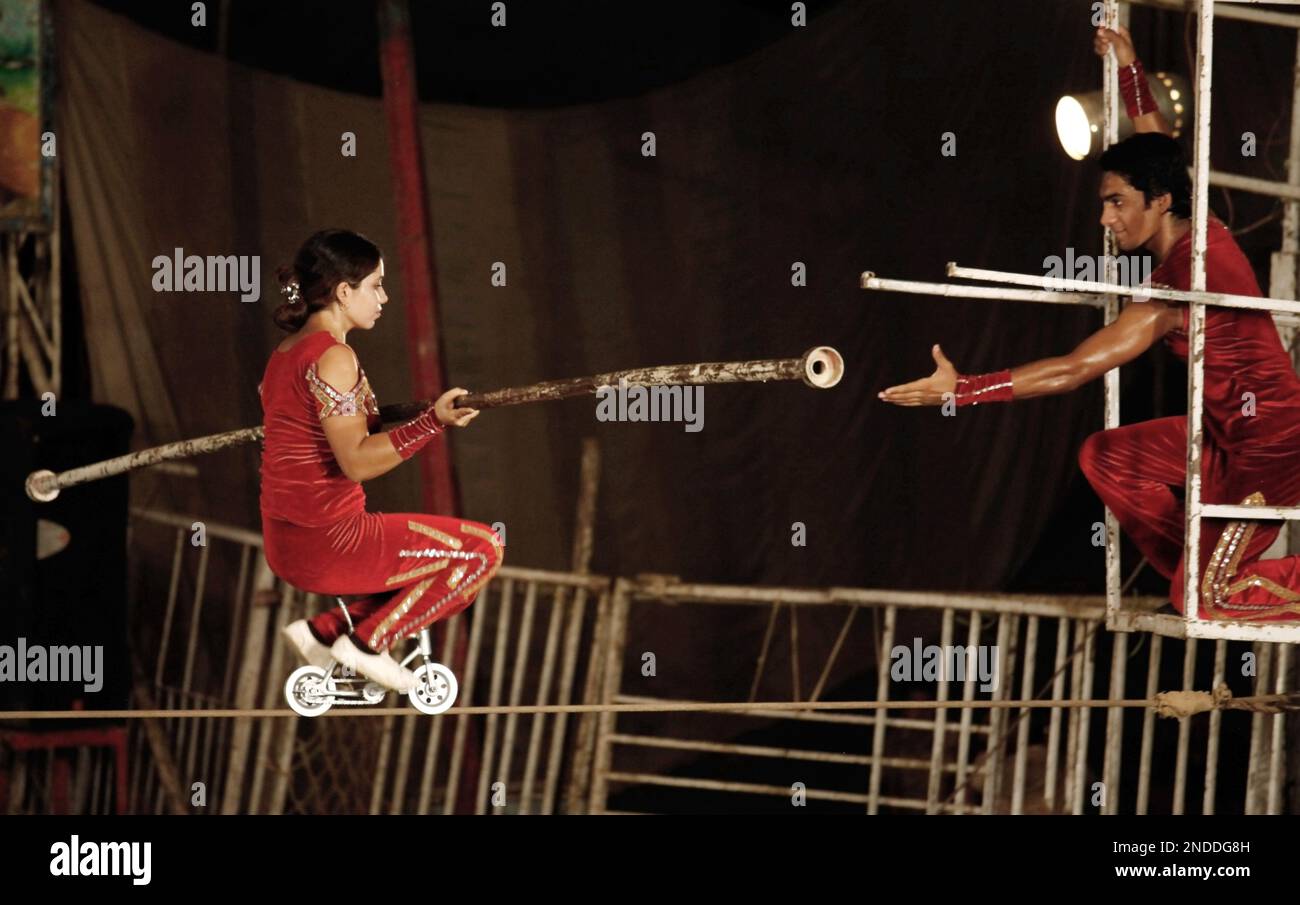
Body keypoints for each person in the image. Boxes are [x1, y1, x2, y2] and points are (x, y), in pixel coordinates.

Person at [877, 28, 1300, 620]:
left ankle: (1208, 579)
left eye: (1116, 202)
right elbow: (1160, 140)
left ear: (1157, 203)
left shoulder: (1179, 286)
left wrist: (965, 389)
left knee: (1202, 600)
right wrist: (1130, 68)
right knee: (1106, 455)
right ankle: (1200, 564)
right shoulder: (1194, 221)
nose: (1104, 218)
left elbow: (1075, 369)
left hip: (1272, 451)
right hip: (1224, 436)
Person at [260, 229, 503, 690]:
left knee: (436, 565)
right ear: (344, 291)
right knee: (480, 551)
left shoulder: (283, 356)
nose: (385, 297)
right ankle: (367, 643)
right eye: (376, 285)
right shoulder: (333, 357)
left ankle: (326, 630)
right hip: (329, 539)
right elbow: (355, 462)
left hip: (287, 541)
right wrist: (433, 422)